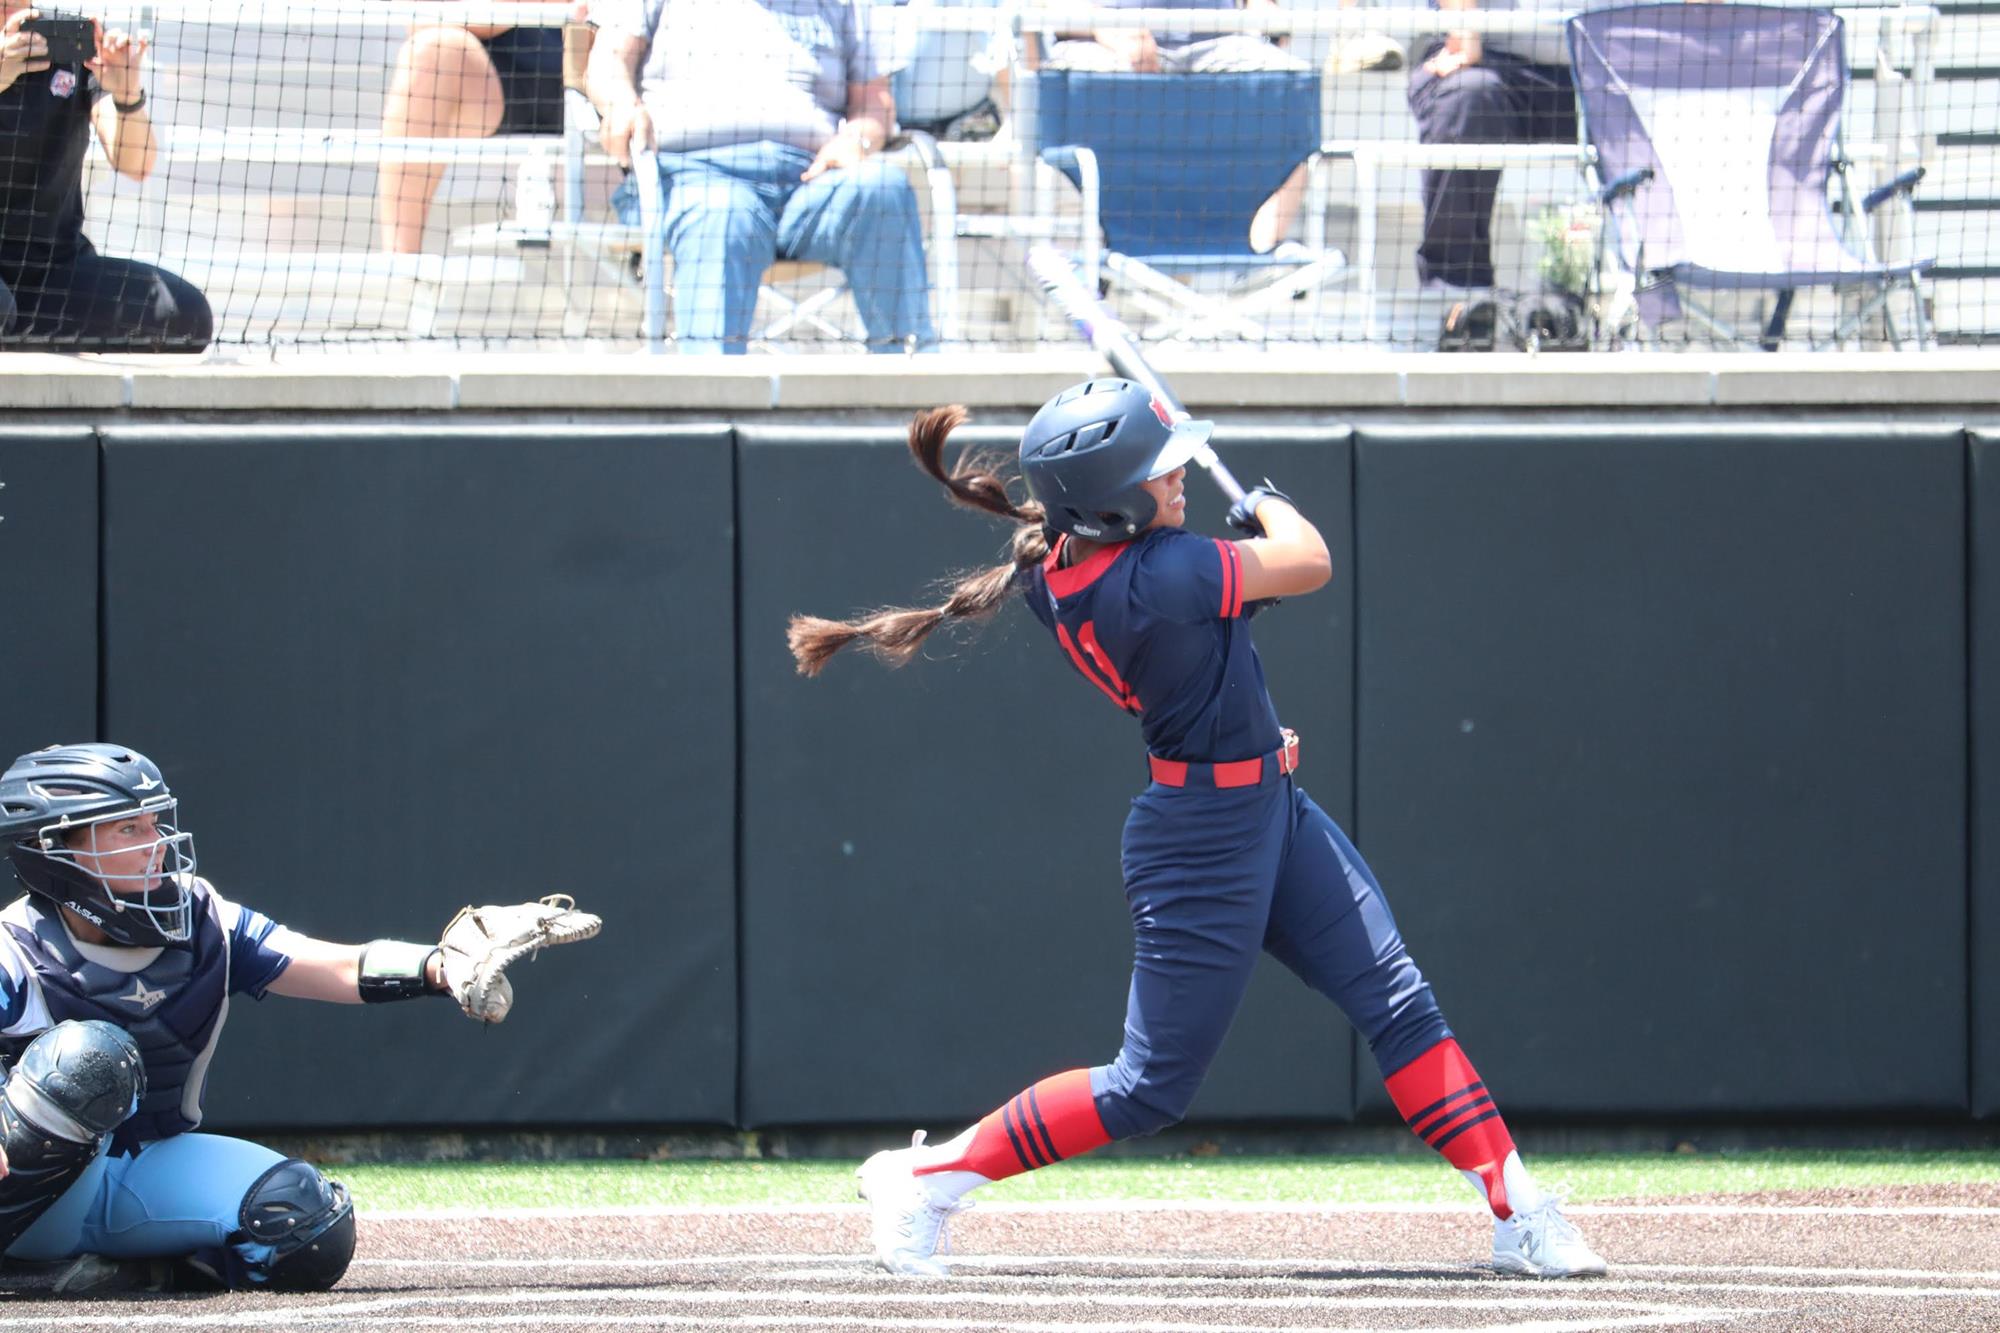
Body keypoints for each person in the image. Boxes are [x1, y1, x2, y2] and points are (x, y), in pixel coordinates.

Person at [788, 379, 1609, 1280]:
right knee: (1148, 1087)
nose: (1178, 479)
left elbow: (1180, 614)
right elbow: (1309, 560)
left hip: (1264, 807)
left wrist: (1247, 727)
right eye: (1159, 470)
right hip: (1203, 839)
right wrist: (1271, 504)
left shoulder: (1060, 568)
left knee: (1399, 1000)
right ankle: (929, 1178)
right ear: (1108, 502)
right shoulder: (1161, 575)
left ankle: (1515, 1205)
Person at [0, 743, 600, 1294]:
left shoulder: (202, 916)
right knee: (88, 1057)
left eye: (154, 823)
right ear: (55, 850)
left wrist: (441, 967)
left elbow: (328, 964)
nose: (155, 843)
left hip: (145, 1166)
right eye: (129, 829)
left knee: (304, 1227)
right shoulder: (14, 948)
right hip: (32, 1200)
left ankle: (123, 1274)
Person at [585, 0, 938, 354]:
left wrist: (857, 138)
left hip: (813, 182)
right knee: (721, 214)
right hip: (692, 177)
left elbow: (874, 100)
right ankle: (712, 401)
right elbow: (606, 64)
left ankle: (918, 390)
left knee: (882, 188)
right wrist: (622, 106)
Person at [0, 4, 211, 350]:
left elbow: (135, 163)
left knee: (184, 315)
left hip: (52, 271)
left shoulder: (68, 40)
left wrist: (126, 93)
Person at [1041, 0, 1308, 252]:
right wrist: (1104, 24)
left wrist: (1264, 15)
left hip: (1221, 43)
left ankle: (1257, 253)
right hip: (1102, 50)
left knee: (1293, 81)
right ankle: (1088, 259)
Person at [1406, 0, 1579, 300]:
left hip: (1610, 61)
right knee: (1468, 96)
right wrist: (1466, 28)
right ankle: (1460, 298)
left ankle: (1663, 281)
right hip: (1487, 56)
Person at [376, 1, 580, 255]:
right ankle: (400, 269)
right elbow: (421, 17)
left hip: (599, 72)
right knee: (429, 51)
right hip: (492, 78)